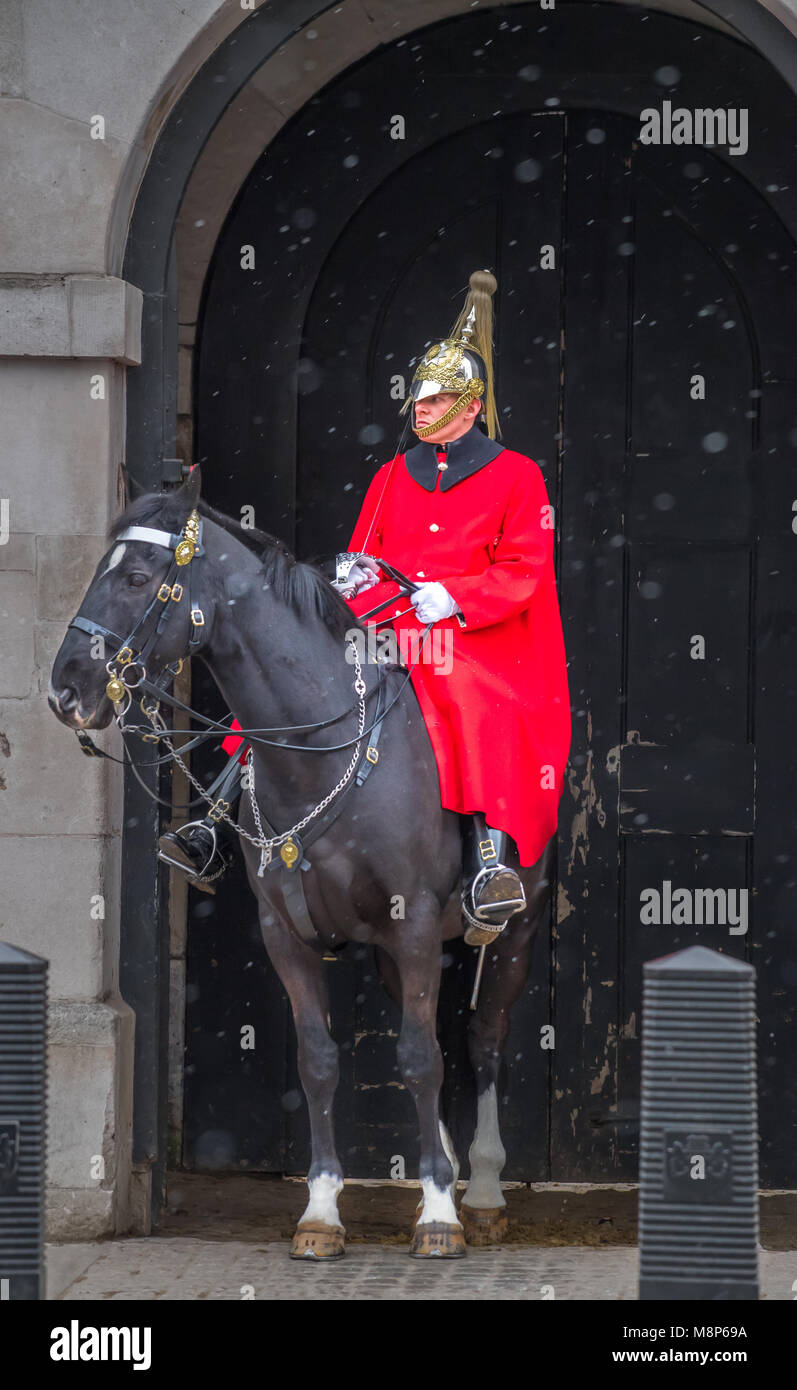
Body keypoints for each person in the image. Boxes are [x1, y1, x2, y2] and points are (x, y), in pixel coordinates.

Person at [160, 270, 571, 947]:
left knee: (472, 701)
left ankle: (488, 862)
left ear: (470, 408)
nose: (419, 408)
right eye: (417, 397)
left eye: (436, 398)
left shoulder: (516, 476)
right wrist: (345, 590)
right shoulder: (391, 475)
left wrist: (455, 598)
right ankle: (210, 822)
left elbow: (525, 571)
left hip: (470, 639)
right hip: (383, 628)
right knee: (280, 692)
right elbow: (361, 555)